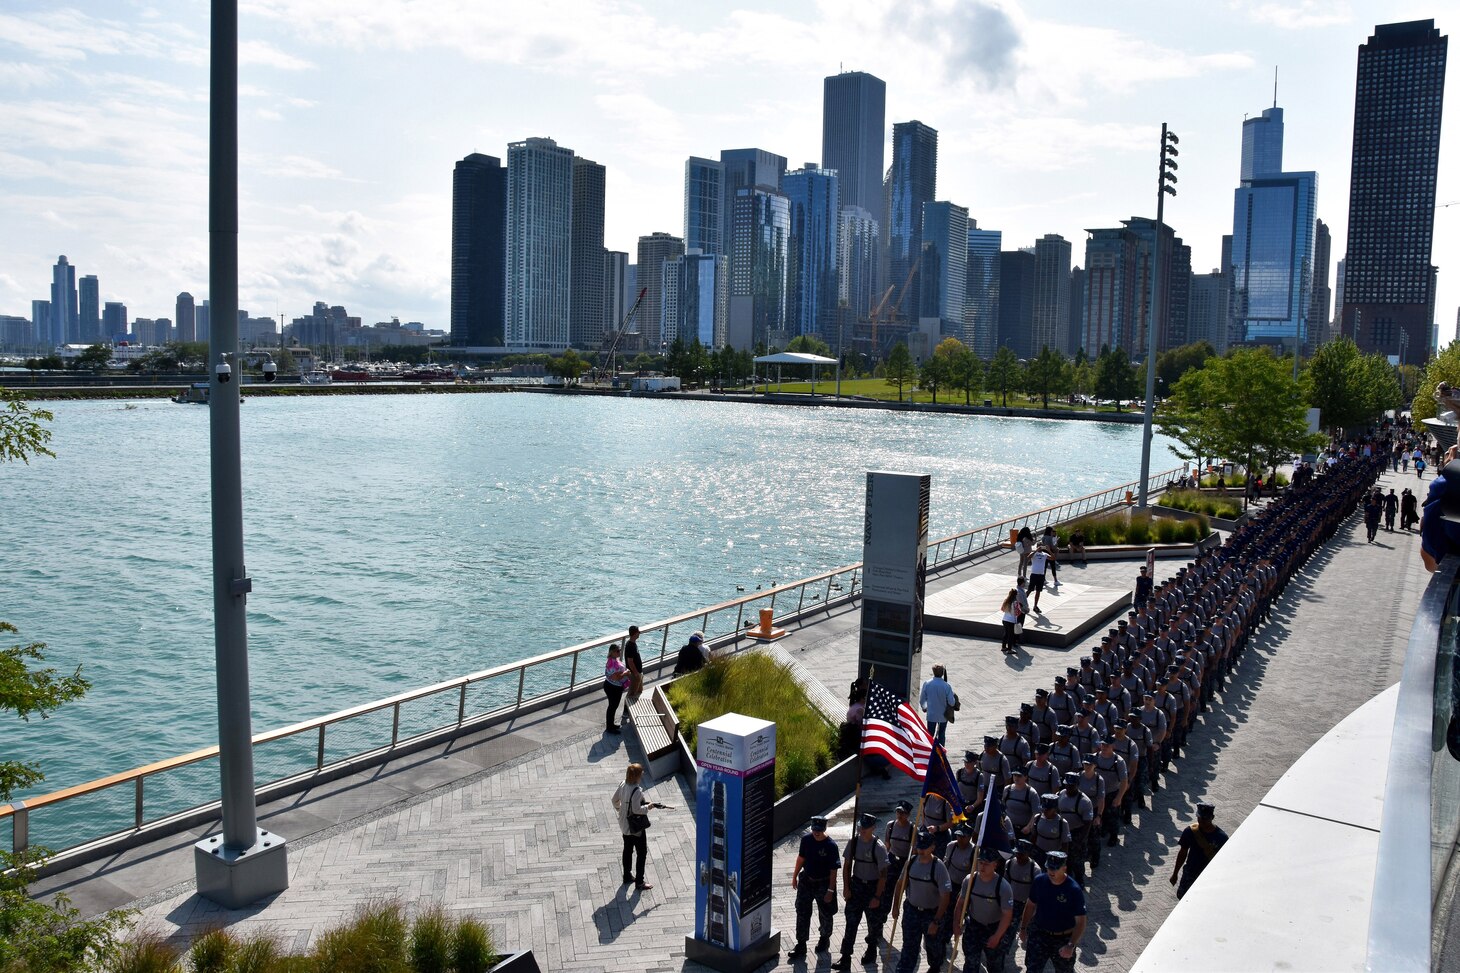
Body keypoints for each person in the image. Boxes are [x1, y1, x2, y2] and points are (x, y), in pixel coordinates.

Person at [833, 812, 889, 970]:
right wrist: (846, 887)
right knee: (851, 922)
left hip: (872, 887)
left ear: (873, 828)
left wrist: (877, 896)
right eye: (860, 827)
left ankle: (871, 950)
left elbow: (884, 875)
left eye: (865, 828)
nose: (862, 830)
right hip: (856, 886)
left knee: (873, 924)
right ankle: (845, 957)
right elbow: (847, 866)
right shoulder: (854, 842)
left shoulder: (878, 847)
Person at [1019, 851, 1087, 973]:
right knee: (1032, 969)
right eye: (1049, 867)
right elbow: (1030, 905)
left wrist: (1071, 945)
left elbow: (1081, 922)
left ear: (1064, 868)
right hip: (1040, 934)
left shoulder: (1073, 890)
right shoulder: (1039, 881)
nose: (1051, 871)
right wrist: (1023, 928)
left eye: (1055, 868)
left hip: (1063, 939)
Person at [895, 832, 953, 973]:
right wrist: (895, 906)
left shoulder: (939, 867)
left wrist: (936, 921)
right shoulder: (911, 862)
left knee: (933, 948)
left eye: (924, 848)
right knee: (909, 946)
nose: (921, 850)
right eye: (919, 847)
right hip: (912, 911)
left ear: (932, 847)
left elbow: (945, 896)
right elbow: (900, 884)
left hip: (931, 914)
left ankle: (934, 967)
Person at [789, 815, 840, 958]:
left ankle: (824, 939)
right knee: (802, 911)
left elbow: (833, 870)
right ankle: (801, 944)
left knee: (826, 913)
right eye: (814, 829)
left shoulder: (831, 846)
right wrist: (794, 877)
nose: (816, 832)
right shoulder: (806, 840)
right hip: (806, 881)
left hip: (823, 883)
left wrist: (830, 890)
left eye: (819, 830)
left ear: (824, 829)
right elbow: (801, 858)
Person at [956, 846, 1014, 973]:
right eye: (980, 862)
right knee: (971, 964)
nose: (982, 867)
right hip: (974, 927)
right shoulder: (969, 880)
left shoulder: (1003, 887)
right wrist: (956, 924)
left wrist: (997, 936)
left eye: (986, 864)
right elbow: (960, 904)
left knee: (995, 967)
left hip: (994, 928)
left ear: (995, 865)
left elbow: (1007, 915)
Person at [611, 762, 660, 890]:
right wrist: (648, 807)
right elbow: (637, 809)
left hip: (624, 825)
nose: (642, 775)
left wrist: (620, 809)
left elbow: (614, 800)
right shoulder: (636, 791)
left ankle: (627, 876)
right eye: (641, 773)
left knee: (627, 850)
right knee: (641, 853)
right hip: (635, 828)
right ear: (637, 776)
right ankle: (639, 882)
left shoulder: (623, 784)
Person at [1169, 802, 1228, 899]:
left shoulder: (1221, 838)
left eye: (1205, 819)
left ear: (1212, 818)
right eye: (1200, 818)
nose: (1201, 822)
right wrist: (1175, 873)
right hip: (1190, 874)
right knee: (1183, 898)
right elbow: (1183, 853)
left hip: (1208, 877)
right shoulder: (1190, 831)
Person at [920, 664, 957, 746]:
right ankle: (941, 753)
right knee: (941, 734)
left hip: (931, 715)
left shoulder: (927, 683)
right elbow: (951, 702)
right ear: (942, 673)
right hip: (943, 716)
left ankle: (929, 751)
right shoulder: (946, 686)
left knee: (929, 735)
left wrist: (925, 707)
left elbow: (922, 699)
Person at [602, 644, 630, 734]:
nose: (620, 652)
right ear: (612, 652)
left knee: (613, 706)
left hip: (613, 686)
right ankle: (610, 727)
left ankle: (611, 725)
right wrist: (626, 673)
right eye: (618, 651)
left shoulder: (613, 660)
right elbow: (616, 678)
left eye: (620, 650)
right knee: (612, 707)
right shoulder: (612, 663)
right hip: (613, 687)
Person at [620, 625, 643, 721]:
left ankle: (633, 708)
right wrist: (636, 673)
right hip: (634, 674)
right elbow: (630, 661)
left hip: (638, 672)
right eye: (638, 632)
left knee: (639, 690)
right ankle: (626, 712)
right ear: (634, 633)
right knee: (631, 692)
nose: (640, 633)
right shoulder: (630, 646)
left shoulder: (633, 644)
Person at [1027, 547, 1050, 613]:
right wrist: (1036, 551)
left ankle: (1035, 606)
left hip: (1041, 575)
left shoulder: (1045, 554)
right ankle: (1022, 603)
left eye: (1041, 546)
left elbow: (1053, 558)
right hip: (1034, 574)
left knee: (1038, 591)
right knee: (1030, 590)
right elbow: (1028, 557)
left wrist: (1049, 550)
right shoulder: (1034, 553)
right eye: (1038, 546)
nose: (1040, 547)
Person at [1000, 588, 1021, 655]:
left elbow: (1002, 609)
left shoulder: (1006, 600)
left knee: (1006, 633)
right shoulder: (1015, 603)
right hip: (1011, 621)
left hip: (1005, 620)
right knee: (1011, 636)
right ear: (1015, 595)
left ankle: (1003, 647)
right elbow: (1018, 613)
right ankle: (1009, 649)